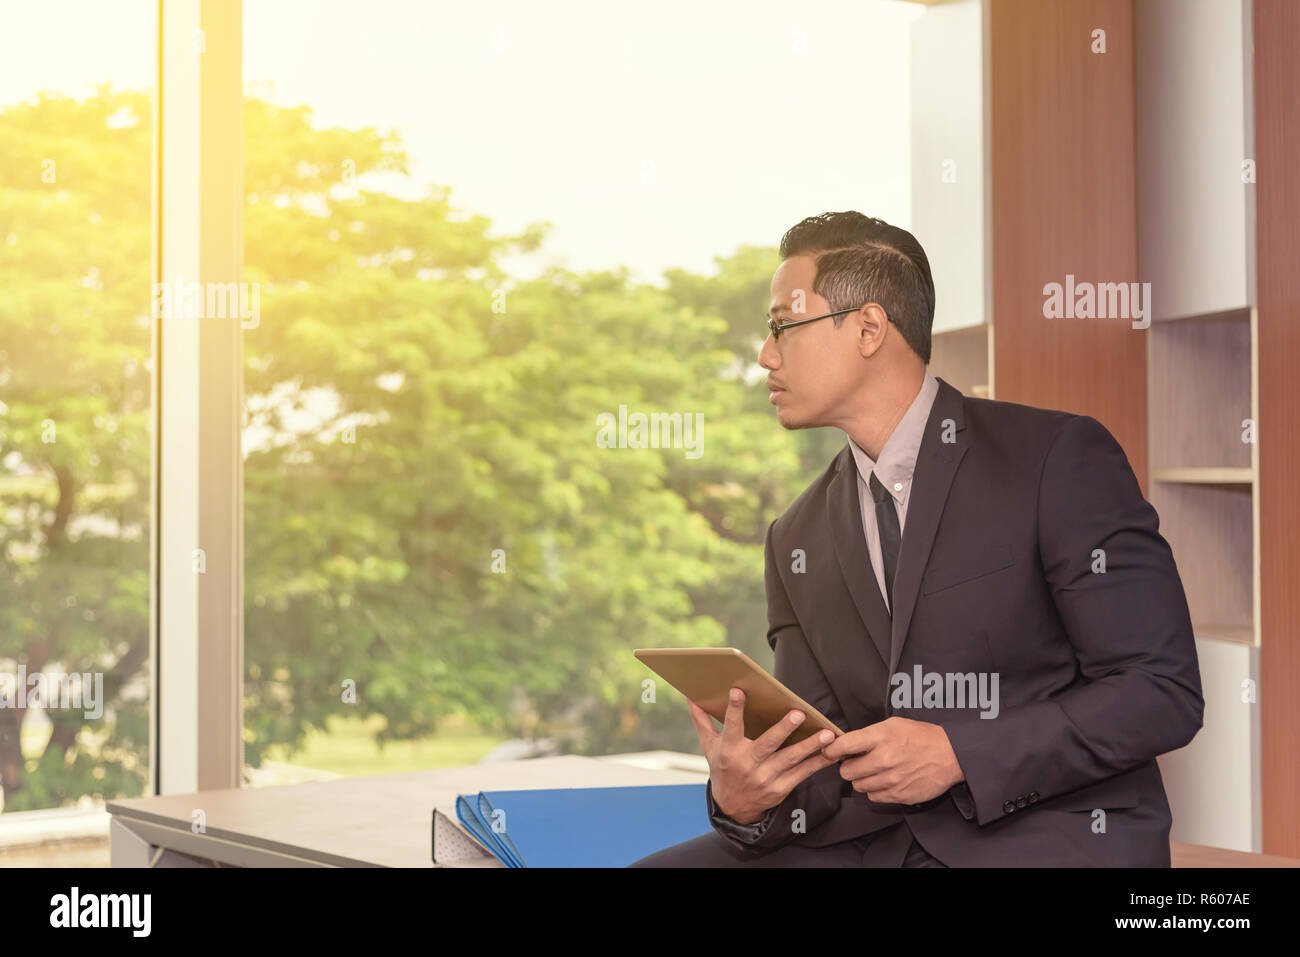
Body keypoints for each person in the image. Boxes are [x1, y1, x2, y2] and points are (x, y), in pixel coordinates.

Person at [631, 212, 1203, 867]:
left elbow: (1159, 690)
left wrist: (960, 753)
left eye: (783, 326)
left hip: (1044, 833)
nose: (766, 354)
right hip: (871, 838)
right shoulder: (796, 535)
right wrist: (745, 800)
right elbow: (818, 764)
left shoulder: (1054, 458)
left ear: (869, 328)